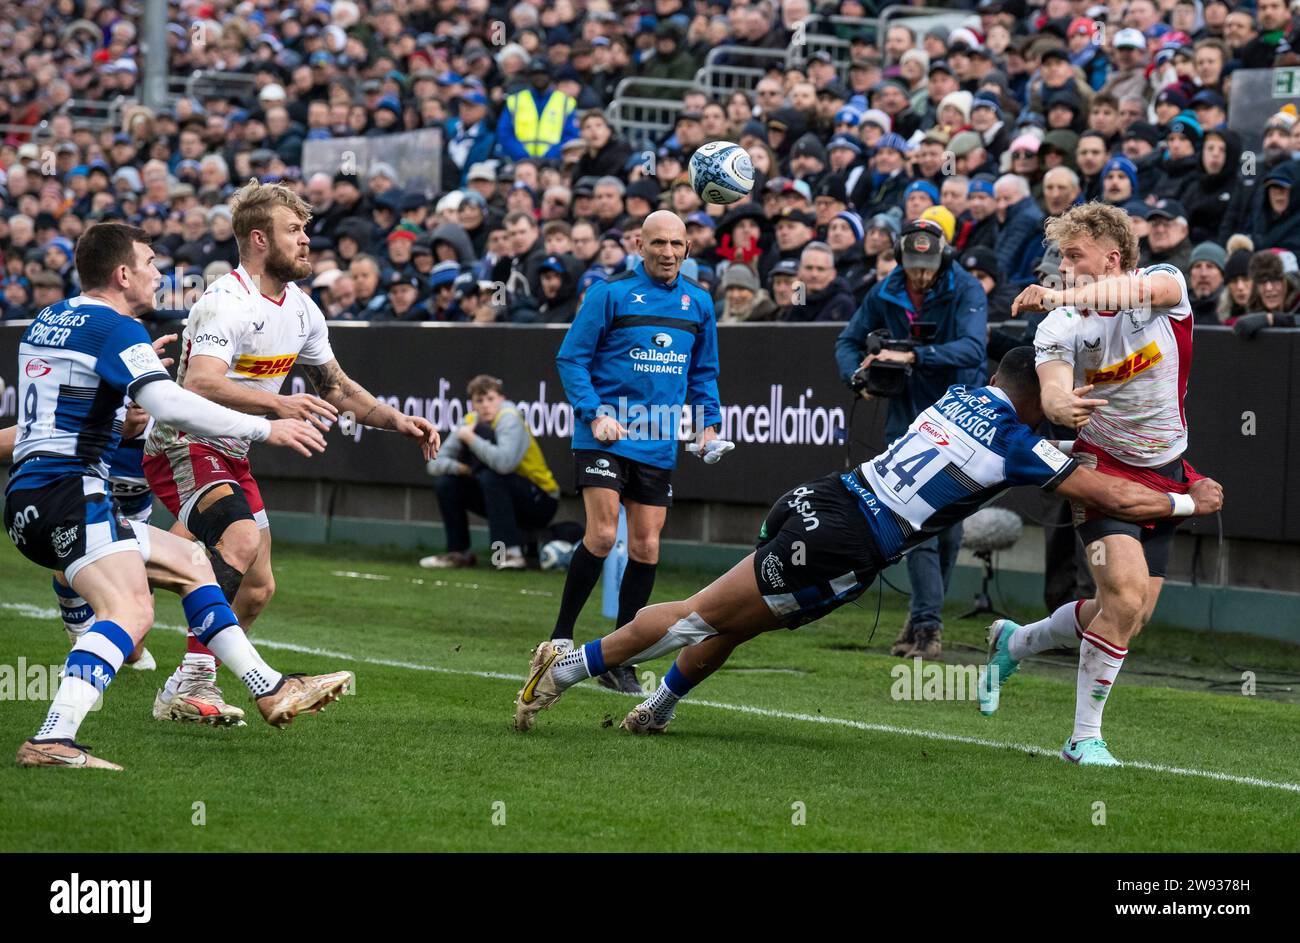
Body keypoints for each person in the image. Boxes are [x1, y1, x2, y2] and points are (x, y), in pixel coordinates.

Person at [512, 347, 1224, 735]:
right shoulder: (1016, 441)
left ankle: (657, 708)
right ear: (1037, 390)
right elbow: (1107, 494)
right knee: (703, 612)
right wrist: (1187, 497)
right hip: (849, 538)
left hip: (828, 499)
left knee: (740, 621)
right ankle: (566, 667)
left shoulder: (962, 399)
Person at [3, 222, 354, 769]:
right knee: (130, 610)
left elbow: (54, 422)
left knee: (193, 561)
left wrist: (122, 407)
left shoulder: (48, 320)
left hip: (30, 497)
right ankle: (52, 737)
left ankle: (268, 687)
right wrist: (267, 424)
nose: (157, 272)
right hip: (69, 491)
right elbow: (172, 405)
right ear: (122, 274)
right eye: (148, 262)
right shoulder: (116, 327)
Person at [143, 180, 439, 725]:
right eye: (294, 231)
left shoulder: (301, 308)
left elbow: (335, 386)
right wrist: (276, 407)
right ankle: (194, 679)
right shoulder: (223, 301)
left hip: (232, 449)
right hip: (183, 443)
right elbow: (202, 384)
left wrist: (397, 421)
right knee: (239, 538)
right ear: (259, 240)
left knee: (258, 587)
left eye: (305, 230)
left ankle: (126, 565)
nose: (306, 241)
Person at [991, 202, 1206, 766]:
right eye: (1060, 256)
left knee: (1128, 615)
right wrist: (1062, 402)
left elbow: (1131, 294)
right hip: (1102, 468)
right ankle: (1083, 738)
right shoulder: (1059, 324)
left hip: (1165, 465)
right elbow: (1055, 387)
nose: (1063, 266)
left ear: (1112, 257)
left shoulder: (1166, 286)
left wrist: (1062, 294)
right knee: (1125, 595)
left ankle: (1018, 641)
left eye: (1073, 255)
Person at [543, 210, 724, 694]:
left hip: (658, 439)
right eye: (659, 243)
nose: (668, 252)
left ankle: (618, 657)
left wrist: (709, 426)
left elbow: (704, 374)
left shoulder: (699, 303)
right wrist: (593, 411)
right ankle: (561, 637)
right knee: (602, 535)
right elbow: (571, 358)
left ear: (688, 249)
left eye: (677, 245)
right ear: (639, 245)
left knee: (646, 546)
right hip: (603, 435)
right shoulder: (609, 294)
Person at [835, 219, 988, 659]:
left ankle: (924, 612)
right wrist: (858, 375)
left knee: (950, 527)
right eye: (913, 265)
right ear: (901, 259)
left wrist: (914, 355)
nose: (921, 274)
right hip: (906, 417)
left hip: (962, 418)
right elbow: (847, 340)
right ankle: (927, 627)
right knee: (916, 521)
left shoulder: (967, 289)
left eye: (929, 265)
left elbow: (972, 349)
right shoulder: (884, 289)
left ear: (945, 258)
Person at [420, 375, 560, 571]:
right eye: (479, 400)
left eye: (490, 399)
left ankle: (508, 554)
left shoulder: (510, 418)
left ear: (501, 399)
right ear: (472, 404)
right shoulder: (469, 420)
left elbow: (504, 464)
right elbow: (434, 464)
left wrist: (470, 439)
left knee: (491, 476)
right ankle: (459, 553)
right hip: (500, 494)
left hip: (541, 500)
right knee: (447, 483)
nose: (485, 405)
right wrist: (463, 469)